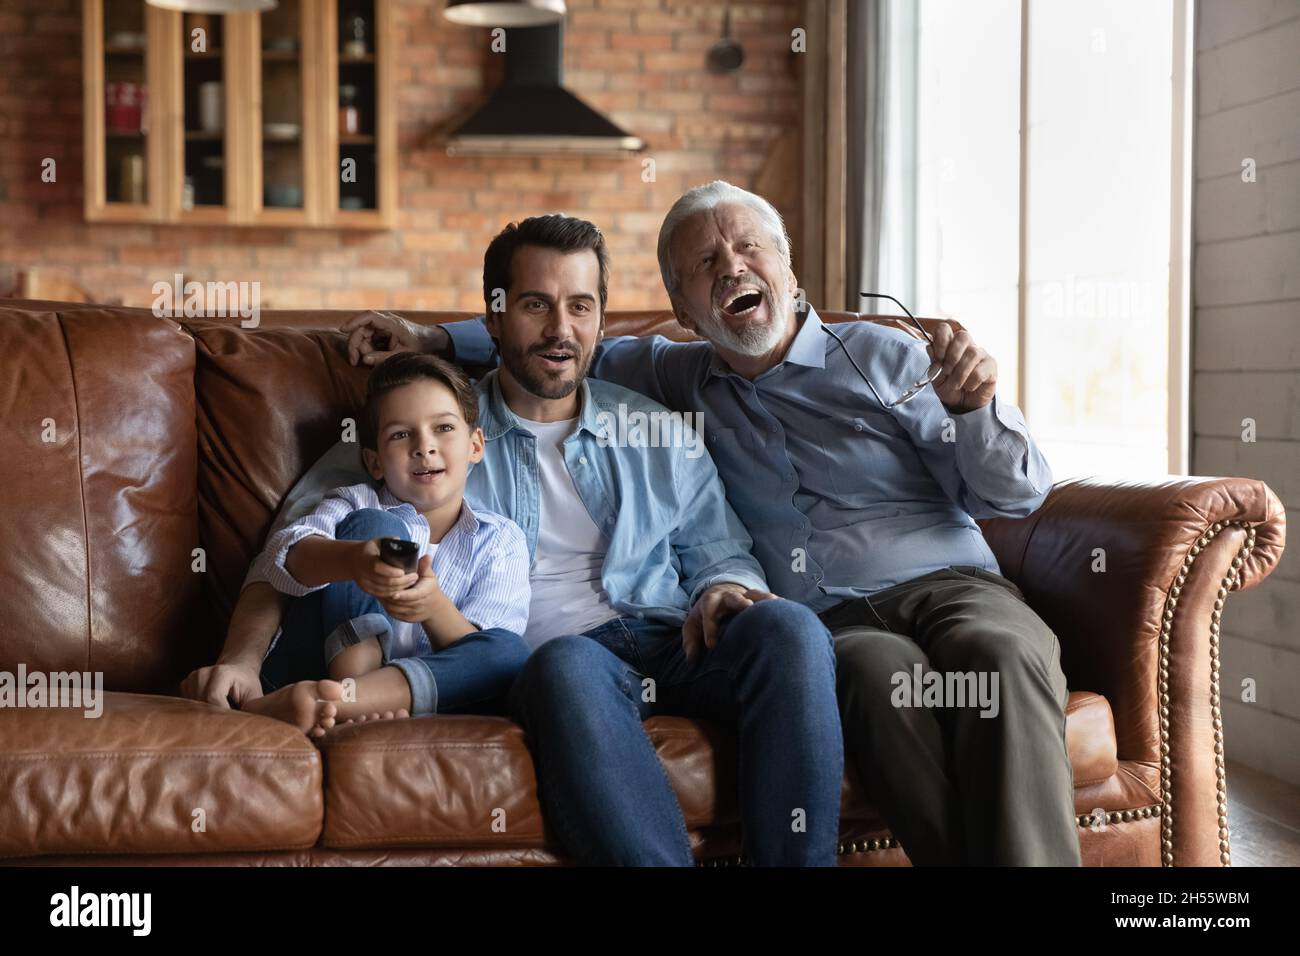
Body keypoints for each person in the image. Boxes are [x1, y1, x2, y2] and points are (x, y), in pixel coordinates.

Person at [351, 181, 1080, 866]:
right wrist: (433, 341)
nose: (731, 267)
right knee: (873, 676)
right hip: (826, 625)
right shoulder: (645, 387)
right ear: (683, 306)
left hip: (933, 586)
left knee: (954, 648)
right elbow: (541, 353)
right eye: (705, 262)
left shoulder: (885, 358)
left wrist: (973, 409)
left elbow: (1014, 495)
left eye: (749, 248)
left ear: (789, 270)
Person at [185, 213, 844, 867]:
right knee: (566, 663)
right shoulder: (432, 432)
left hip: (675, 641)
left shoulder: (661, 430)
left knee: (789, 629)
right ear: (493, 319)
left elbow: (719, 553)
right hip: (557, 663)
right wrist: (241, 660)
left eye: (580, 307)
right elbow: (289, 551)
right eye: (536, 305)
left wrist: (727, 588)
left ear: (602, 322)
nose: (561, 330)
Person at [245, 353, 531, 736]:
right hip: (313, 666)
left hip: (417, 696)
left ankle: (352, 701)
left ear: (475, 445)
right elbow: (285, 558)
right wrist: (352, 561)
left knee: (509, 652)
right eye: (400, 434)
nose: (423, 447)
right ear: (374, 462)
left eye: (443, 428)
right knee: (373, 526)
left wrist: (433, 607)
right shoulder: (356, 501)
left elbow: (478, 653)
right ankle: (350, 691)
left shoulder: (501, 539)